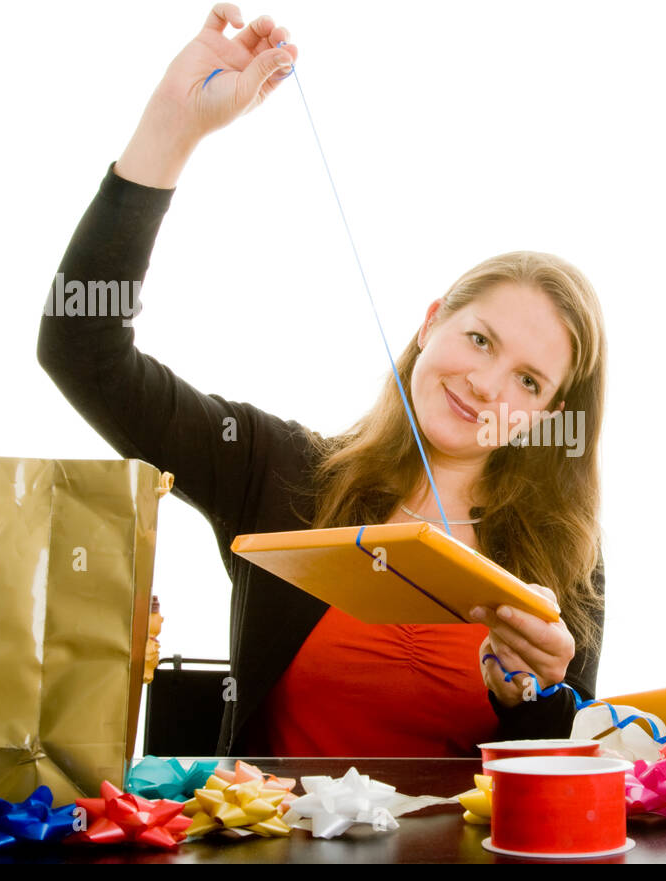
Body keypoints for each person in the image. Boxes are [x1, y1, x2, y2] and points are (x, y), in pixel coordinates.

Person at [37, 4, 607, 758]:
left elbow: (570, 783)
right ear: (430, 322)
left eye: (529, 381)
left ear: (548, 412)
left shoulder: (566, 555)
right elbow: (82, 348)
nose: (487, 384)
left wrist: (528, 695)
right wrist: (171, 132)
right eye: (478, 338)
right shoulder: (273, 471)